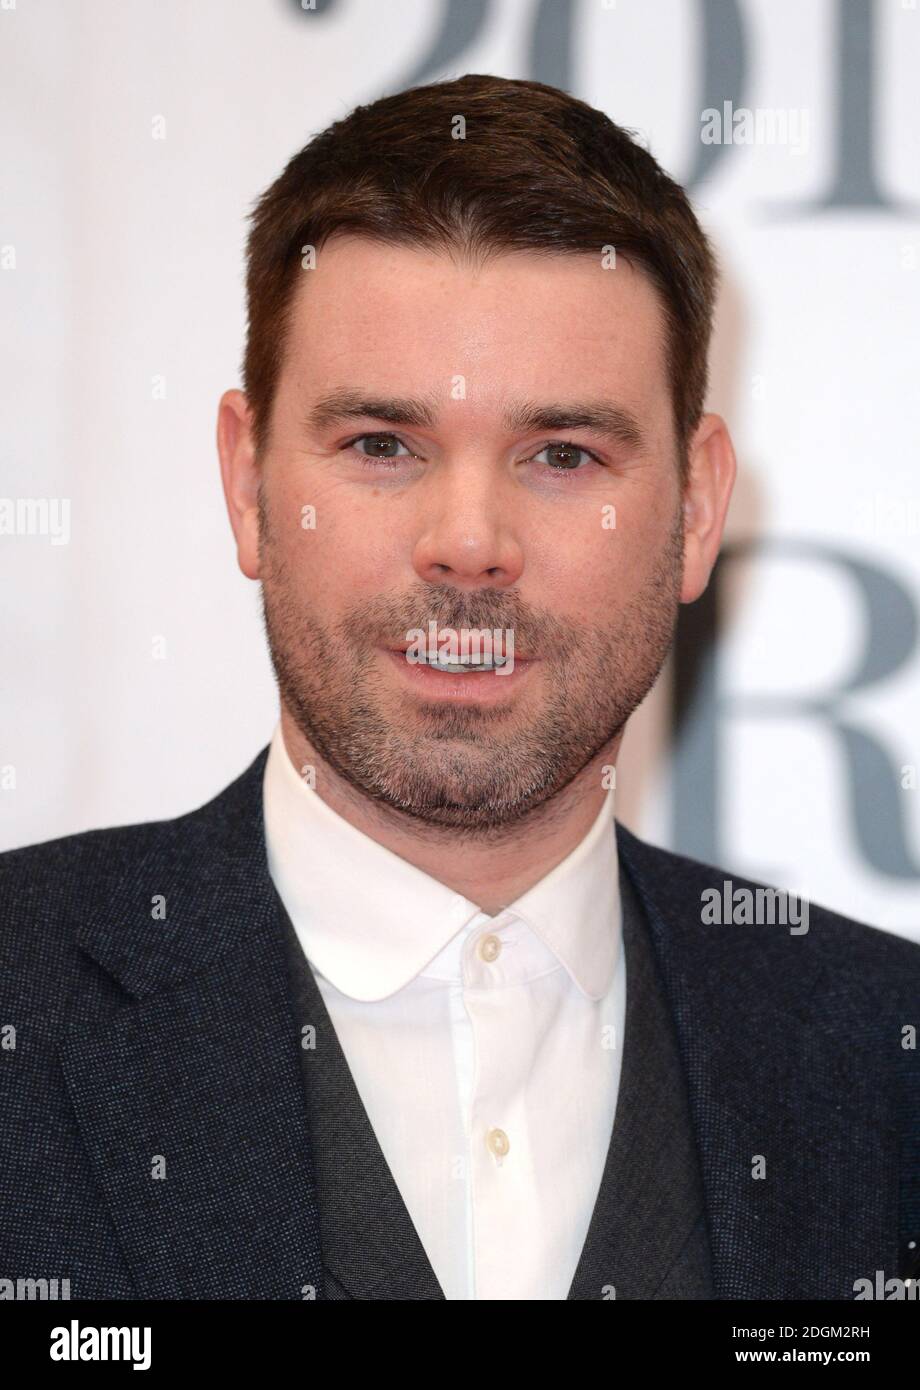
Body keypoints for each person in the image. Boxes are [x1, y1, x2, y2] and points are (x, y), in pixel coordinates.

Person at [2, 73, 918, 1303]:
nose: (468, 541)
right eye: (381, 446)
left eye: (559, 454)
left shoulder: (883, 1057)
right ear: (246, 484)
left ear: (695, 509)